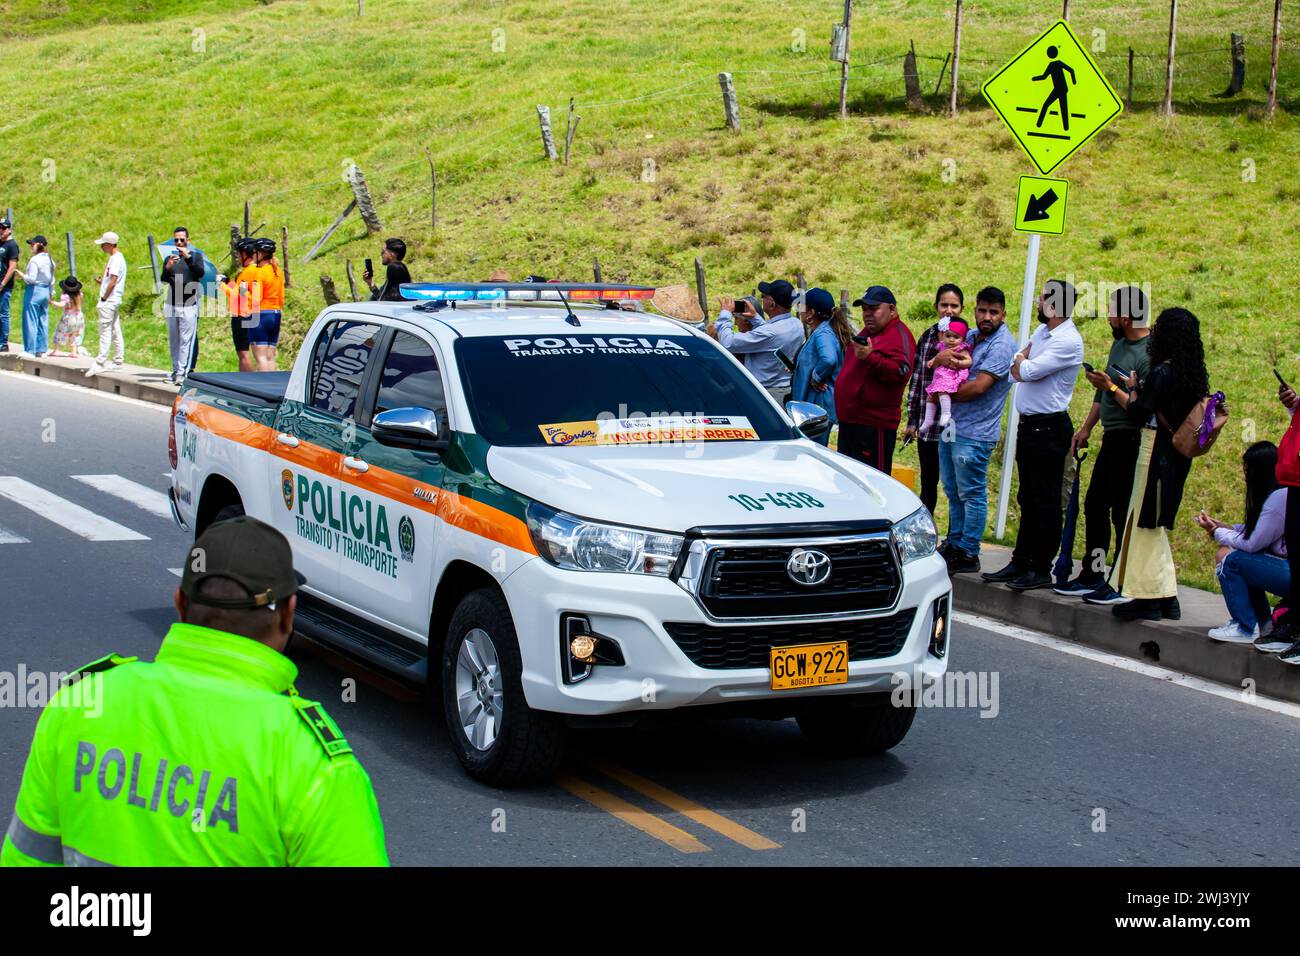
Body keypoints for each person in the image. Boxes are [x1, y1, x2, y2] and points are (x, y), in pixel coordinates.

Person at [1, 515, 389, 867]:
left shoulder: (80, 704)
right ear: (288, 614)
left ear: (180, 603)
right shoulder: (312, 764)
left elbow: (27, 857)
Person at [1093, 307, 1208, 621]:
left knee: (1144, 523)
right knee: (1153, 523)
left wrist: (1119, 389)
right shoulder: (1192, 373)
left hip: (1154, 452)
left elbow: (1139, 412)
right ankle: (1166, 596)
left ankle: (1148, 598)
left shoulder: (1162, 371)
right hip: (1177, 455)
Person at [983, 279, 1084, 591]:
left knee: (1045, 500)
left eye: (1042, 299)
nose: (1039, 303)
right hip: (1030, 426)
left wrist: (1022, 363)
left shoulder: (1068, 341)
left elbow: (1025, 371)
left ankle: (1041, 567)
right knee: (1027, 496)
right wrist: (1021, 362)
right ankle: (1021, 560)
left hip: (1050, 428)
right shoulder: (1043, 333)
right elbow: (1018, 362)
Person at [1056, 286, 1153, 598]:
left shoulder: (1150, 354)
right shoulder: (1120, 345)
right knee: (1095, 504)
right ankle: (1093, 573)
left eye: (1112, 312)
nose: (1108, 318)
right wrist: (1086, 427)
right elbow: (1102, 394)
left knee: (1121, 511)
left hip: (1132, 439)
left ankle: (1123, 580)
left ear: (1126, 317)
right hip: (1111, 436)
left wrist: (1111, 386)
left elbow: (1140, 410)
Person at [936, 287, 1017, 574]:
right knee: (952, 490)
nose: (987, 316)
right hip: (952, 425)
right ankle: (955, 541)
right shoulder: (969, 336)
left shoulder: (1003, 344)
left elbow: (980, 387)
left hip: (976, 432)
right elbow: (943, 360)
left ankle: (969, 551)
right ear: (975, 311)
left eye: (993, 312)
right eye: (982, 310)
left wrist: (941, 394)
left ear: (1003, 315)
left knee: (972, 493)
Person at [1195, 442, 1287, 643]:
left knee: (1233, 560)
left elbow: (1253, 543)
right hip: (1287, 568)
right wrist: (1224, 528)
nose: (1245, 477)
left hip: (1290, 573)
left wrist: (1217, 532)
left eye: (1248, 471)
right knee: (1240, 558)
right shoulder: (1279, 494)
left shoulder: (1278, 499)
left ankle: (1245, 627)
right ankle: (1263, 625)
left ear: (1261, 472)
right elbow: (1261, 534)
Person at [835, 284, 916, 473]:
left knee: (871, 485)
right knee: (848, 481)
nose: (867, 314)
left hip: (873, 427)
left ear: (892, 310)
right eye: (864, 310)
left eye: (874, 309)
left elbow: (901, 371)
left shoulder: (898, 335)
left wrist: (871, 358)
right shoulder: (869, 332)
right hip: (851, 422)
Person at [904, 284, 964, 513]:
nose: (949, 310)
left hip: (954, 423)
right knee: (928, 481)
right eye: (944, 305)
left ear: (961, 308)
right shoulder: (928, 336)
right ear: (936, 307)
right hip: (927, 422)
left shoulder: (967, 336)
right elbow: (917, 380)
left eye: (954, 305)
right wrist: (912, 421)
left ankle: (956, 538)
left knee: (954, 484)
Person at [712, 279, 805, 405]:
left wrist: (725, 314)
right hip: (785, 389)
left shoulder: (769, 333)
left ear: (772, 304)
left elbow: (727, 343)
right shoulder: (796, 324)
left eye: (764, 296)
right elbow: (771, 339)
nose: (762, 299)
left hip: (765, 394)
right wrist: (756, 318)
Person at [790, 287, 850, 444]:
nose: (800, 310)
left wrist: (816, 377)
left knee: (814, 451)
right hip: (817, 404)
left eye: (803, 306)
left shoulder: (823, 333)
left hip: (818, 403)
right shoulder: (824, 329)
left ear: (811, 313)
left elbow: (829, 359)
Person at [160, 226, 206, 385]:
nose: (179, 242)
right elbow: (164, 279)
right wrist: (168, 268)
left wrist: (188, 258)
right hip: (171, 303)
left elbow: (200, 273)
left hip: (188, 305)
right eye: (176, 239)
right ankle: (174, 370)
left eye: (182, 239)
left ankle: (182, 373)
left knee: (186, 340)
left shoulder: (196, 257)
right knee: (174, 340)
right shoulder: (169, 258)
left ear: (188, 240)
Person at [85, 231, 126, 377]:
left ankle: (100, 362)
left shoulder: (115, 259)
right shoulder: (117, 258)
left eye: (103, 244)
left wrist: (104, 297)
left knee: (105, 330)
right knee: (115, 329)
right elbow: (111, 279)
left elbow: (113, 280)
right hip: (113, 299)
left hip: (109, 300)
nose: (102, 247)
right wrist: (102, 282)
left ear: (109, 244)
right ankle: (118, 360)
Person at [921, 318, 972, 434]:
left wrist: (959, 363)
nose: (951, 340)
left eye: (956, 337)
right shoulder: (942, 347)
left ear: (963, 339)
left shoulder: (961, 349)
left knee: (942, 391)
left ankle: (946, 413)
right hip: (940, 376)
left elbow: (969, 361)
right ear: (943, 336)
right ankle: (928, 420)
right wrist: (933, 360)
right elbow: (939, 357)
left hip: (952, 375)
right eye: (948, 336)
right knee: (930, 396)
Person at [219, 238, 257, 372]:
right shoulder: (253, 270)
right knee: (246, 353)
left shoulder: (247, 272)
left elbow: (239, 296)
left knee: (243, 353)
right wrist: (228, 282)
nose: (238, 257)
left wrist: (221, 285)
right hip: (251, 313)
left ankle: (249, 382)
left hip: (242, 314)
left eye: (239, 253)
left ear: (245, 253)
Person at [249, 237, 284, 371]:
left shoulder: (260, 273)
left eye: (255, 252)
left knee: (261, 357)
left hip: (261, 314)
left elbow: (256, 299)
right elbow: (281, 297)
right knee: (270, 356)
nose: (253, 255)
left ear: (261, 254)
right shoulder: (278, 272)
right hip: (276, 313)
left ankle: (261, 387)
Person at [18, 235, 55, 357]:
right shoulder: (50, 259)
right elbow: (52, 279)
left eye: (33, 244)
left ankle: (30, 349)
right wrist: (51, 292)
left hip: (34, 290)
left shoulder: (35, 260)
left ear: (40, 245)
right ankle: (41, 349)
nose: (31, 246)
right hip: (45, 290)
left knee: (30, 319)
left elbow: (31, 279)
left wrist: (22, 275)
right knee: (42, 320)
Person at [47, 276, 86, 358]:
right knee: (74, 334)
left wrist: (52, 302)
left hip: (68, 317)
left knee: (60, 332)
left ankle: (56, 350)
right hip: (78, 317)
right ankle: (74, 352)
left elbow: (61, 305)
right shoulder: (80, 295)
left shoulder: (65, 296)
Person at [364, 237, 412, 301]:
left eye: (383, 251)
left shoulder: (394, 268)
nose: (381, 254)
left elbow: (384, 301)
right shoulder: (401, 269)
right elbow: (383, 298)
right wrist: (370, 283)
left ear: (392, 254)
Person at [0, 218, 18, 353]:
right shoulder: (1, 243)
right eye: (0, 227)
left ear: (9, 229)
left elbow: (12, 267)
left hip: (4, 286)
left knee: (3, 314)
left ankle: (3, 342)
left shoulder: (12, 245)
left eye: (4, 228)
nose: (1, 230)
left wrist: (2, 283)